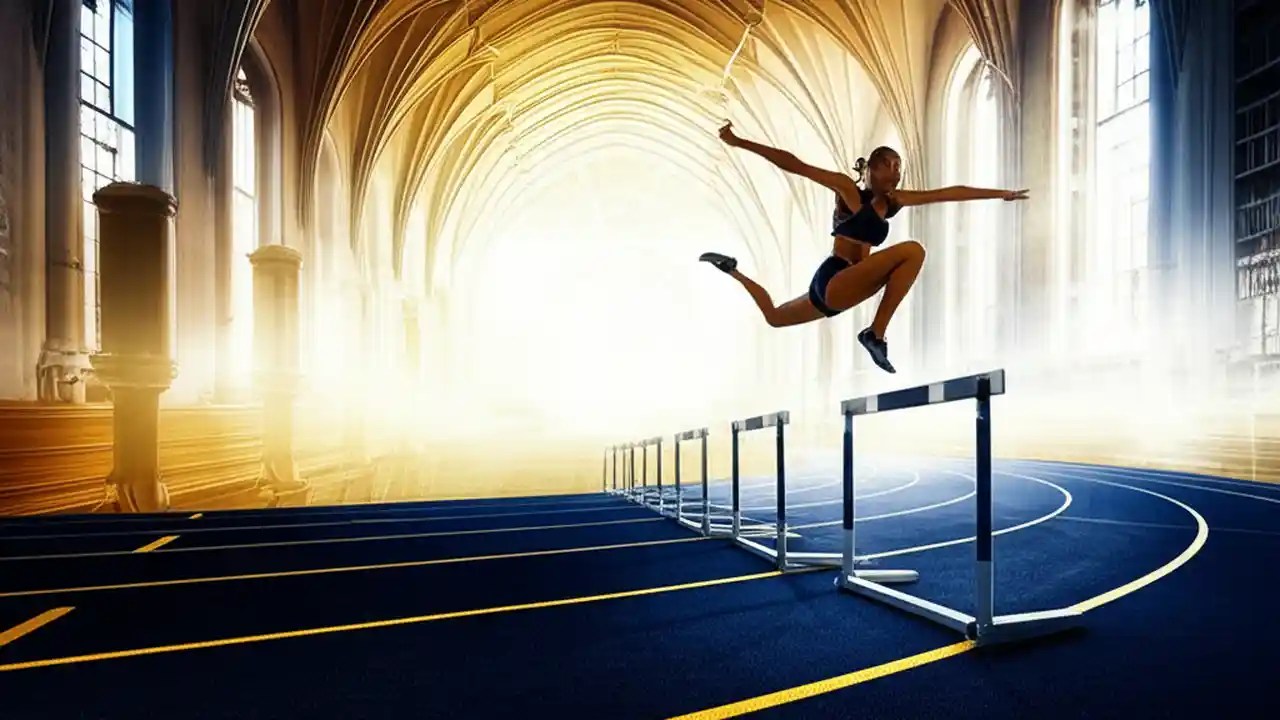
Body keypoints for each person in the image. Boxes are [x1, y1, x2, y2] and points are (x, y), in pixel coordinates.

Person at [700, 121, 1028, 373]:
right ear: (871, 168)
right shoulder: (848, 190)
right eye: (889, 166)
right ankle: (876, 334)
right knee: (913, 251)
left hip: (843, 291)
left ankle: (732, 269)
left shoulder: (894, 201)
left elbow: (946, 193)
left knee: (773, 317)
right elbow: (795, 164)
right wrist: (739, 142)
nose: (896, 174)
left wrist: (1001, 193)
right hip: (835, 278)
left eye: (900, 168)